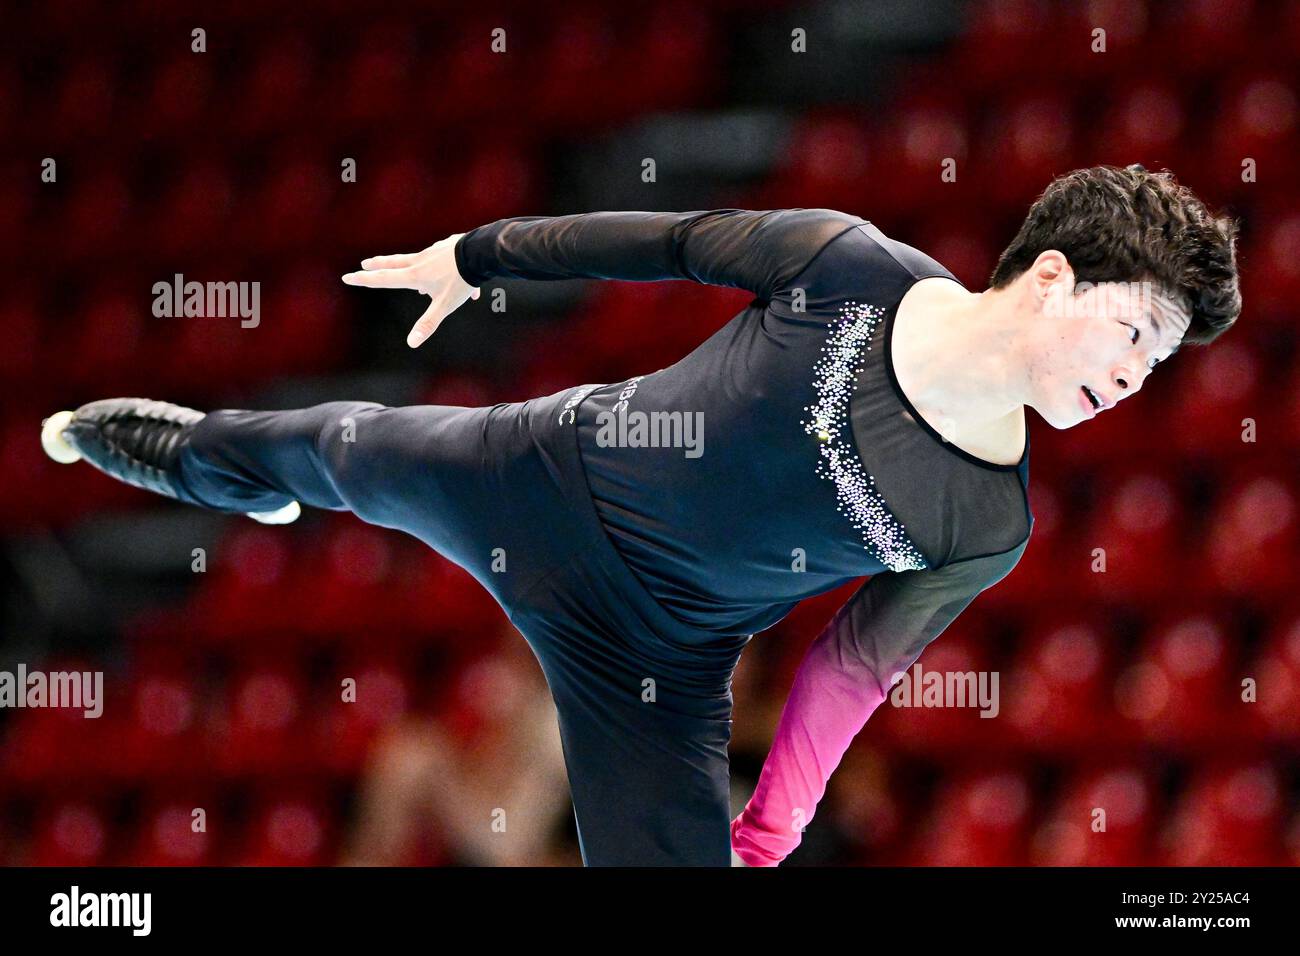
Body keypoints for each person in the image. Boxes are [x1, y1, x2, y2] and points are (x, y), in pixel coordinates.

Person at [40, 164, 1241, 866]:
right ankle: (183, 448)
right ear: (1048, 277)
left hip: (658, 662)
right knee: (331, 448)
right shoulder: (848, 263)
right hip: (544, 475)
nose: (1137, 372)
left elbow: (845, 672)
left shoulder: (987, 518)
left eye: (1161, 359)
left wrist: (767, 829)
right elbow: (661, 242)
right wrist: (481, 254)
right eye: (1133, 329)